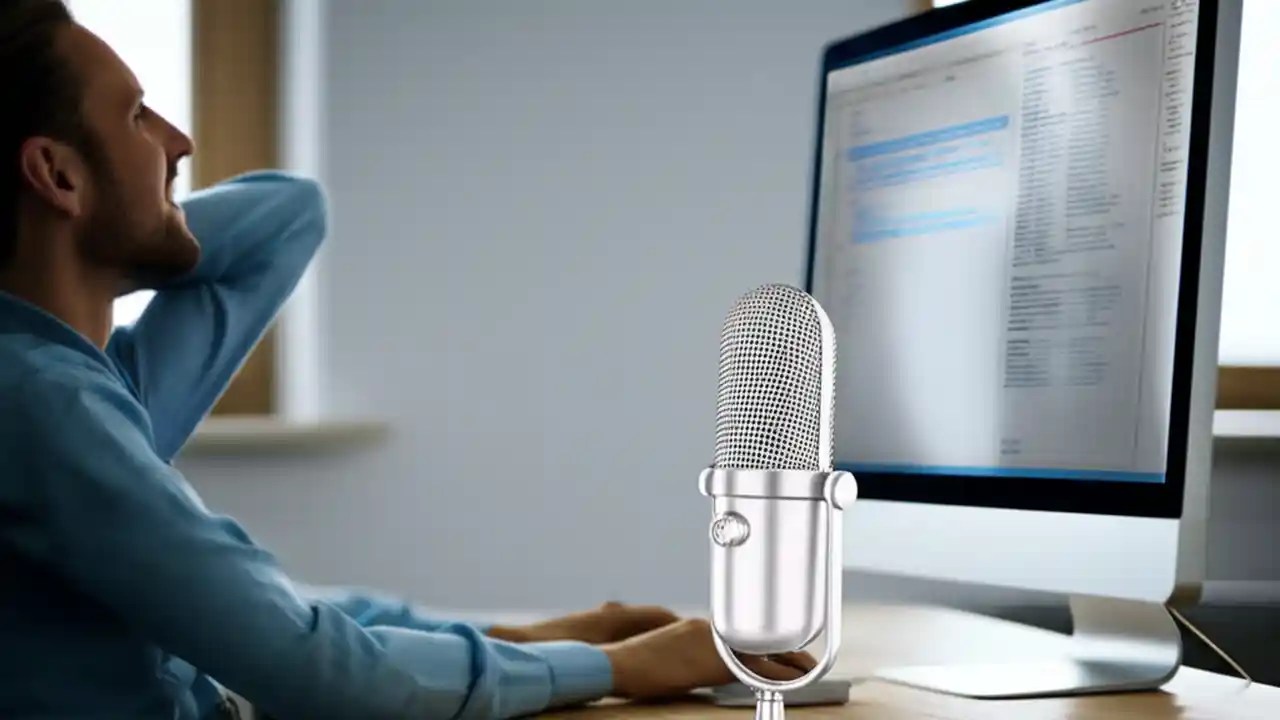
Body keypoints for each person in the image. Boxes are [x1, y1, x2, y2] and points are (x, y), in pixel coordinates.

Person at [0, 2, 816, 718]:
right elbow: (311, 670)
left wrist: (111, 247)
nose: (178, 140)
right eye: (139, 115)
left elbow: (288, 215)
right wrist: (613, 669)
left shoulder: (73, 377)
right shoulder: (43, 402)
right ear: (55, 173)